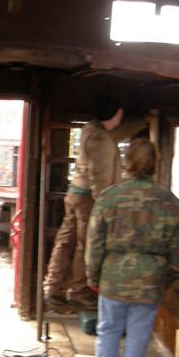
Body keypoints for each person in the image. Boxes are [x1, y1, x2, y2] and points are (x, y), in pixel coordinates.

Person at [85, 138, 179, 357]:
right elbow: (177, 247)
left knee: (108, 332)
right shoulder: (169, 201)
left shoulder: (109, 197)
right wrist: (169, 278)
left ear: (126, 163)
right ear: (155, 164)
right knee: (139, 337)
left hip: (114, 277)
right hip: (151, 279)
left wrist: (93, 276)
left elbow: (94, 242)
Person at [43, 93, 128, 309]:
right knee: (85, 246)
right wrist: (104, 209)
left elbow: (118, 133)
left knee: (65, 242)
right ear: (116, 113)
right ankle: (78, 291)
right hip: (88, 199)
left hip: (75, 194)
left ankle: (52, 287)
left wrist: (142, 122)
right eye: (120, 112)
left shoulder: (91, 129)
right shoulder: (101, 140)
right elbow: (100, 179)